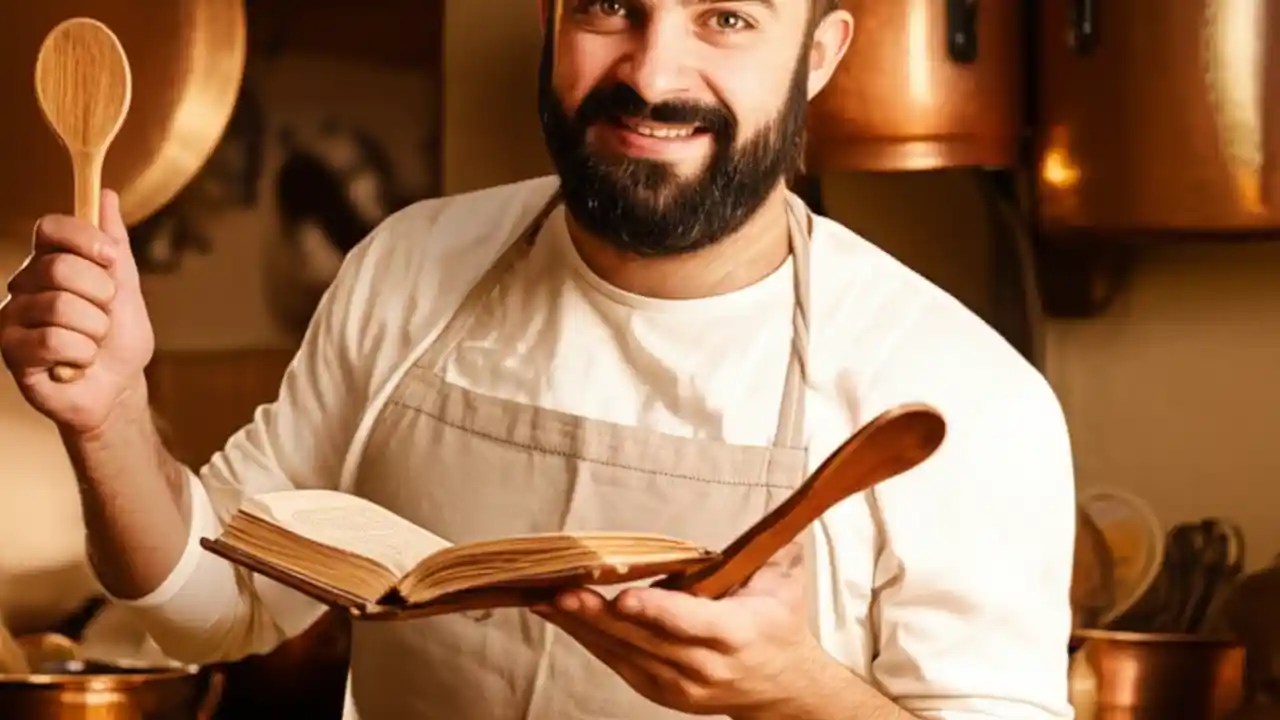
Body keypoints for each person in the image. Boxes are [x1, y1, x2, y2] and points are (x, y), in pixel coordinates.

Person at [0, 0, 1078, 718]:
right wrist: (108, 421)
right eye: (611, 2)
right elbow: (211, 601)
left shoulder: (962, 394)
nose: (653, 72)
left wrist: (788, 685)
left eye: (726, 18)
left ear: (822, 51)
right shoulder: (411, 265)